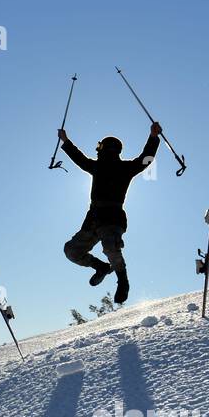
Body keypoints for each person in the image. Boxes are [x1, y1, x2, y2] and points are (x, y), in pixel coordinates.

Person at [56, 121, 162, 305]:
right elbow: (146, 158)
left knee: (110, 246)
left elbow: (146, 158)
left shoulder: (121, 168)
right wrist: (65, 141)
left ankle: (122, 281)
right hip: (94, 219)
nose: (98, 151)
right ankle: (102, 267)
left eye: (100, 147)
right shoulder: (100, 166)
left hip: (112, 219)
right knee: (72, 250)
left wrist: (153, 138)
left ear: (105, 149)